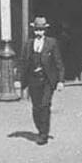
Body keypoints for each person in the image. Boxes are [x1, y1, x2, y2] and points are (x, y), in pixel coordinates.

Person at [20, 16, 64, 144]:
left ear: (45, 30)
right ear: (34, 30)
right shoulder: (28, 44)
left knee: (45, 105)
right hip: (33, 80)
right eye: (37, 30)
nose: (39, 32)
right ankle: (40, 128)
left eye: (42, 30)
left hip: (47, 80)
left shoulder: (52, 43)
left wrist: (60, 80)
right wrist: (19, 79)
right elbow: (23, 63)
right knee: (36, 107)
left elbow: (58, 62)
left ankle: (44, 134)